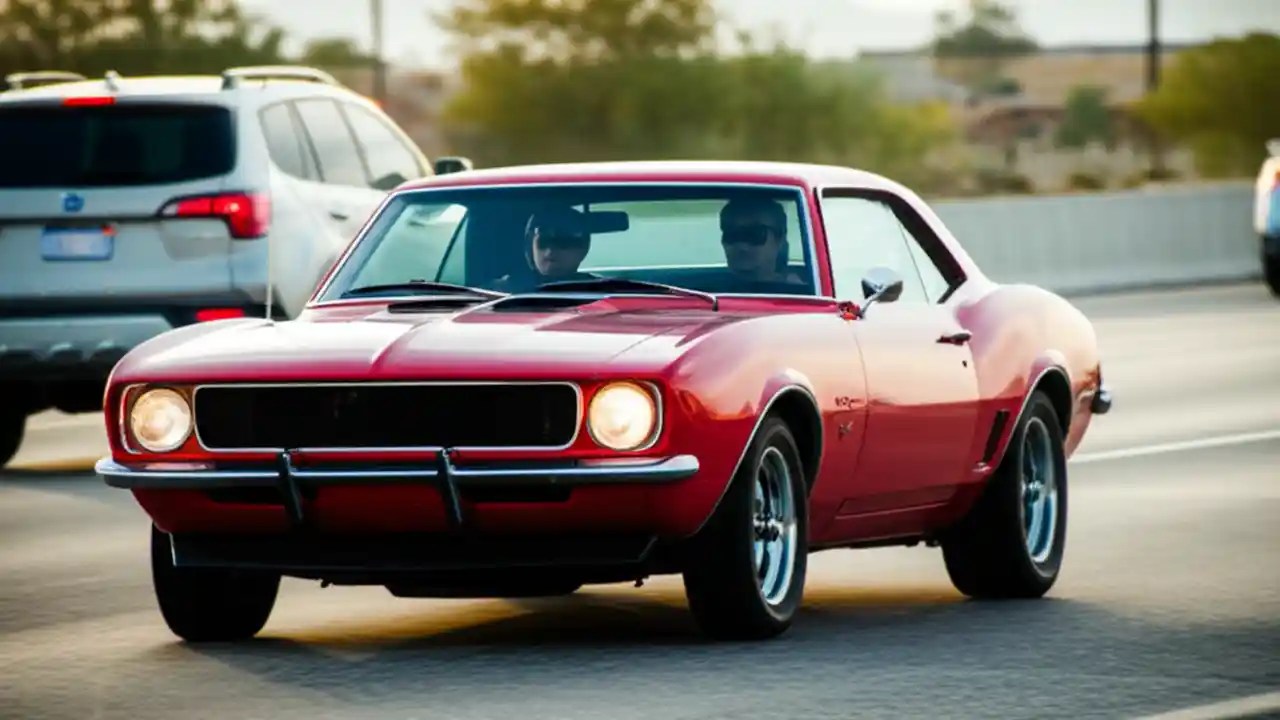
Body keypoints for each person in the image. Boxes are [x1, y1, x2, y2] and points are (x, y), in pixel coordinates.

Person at [491, 206, 597, 292]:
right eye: (543, 242)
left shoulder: (599, 291)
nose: (550, 251)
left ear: (583, 249)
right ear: (531, 246)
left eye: (563, 242)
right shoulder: (498, 293)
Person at [718, 197, 806, 287]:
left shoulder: (798, 295)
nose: (742, 246)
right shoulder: (708, 294)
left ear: (779, 240)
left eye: (754, 234)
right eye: (732, 234)